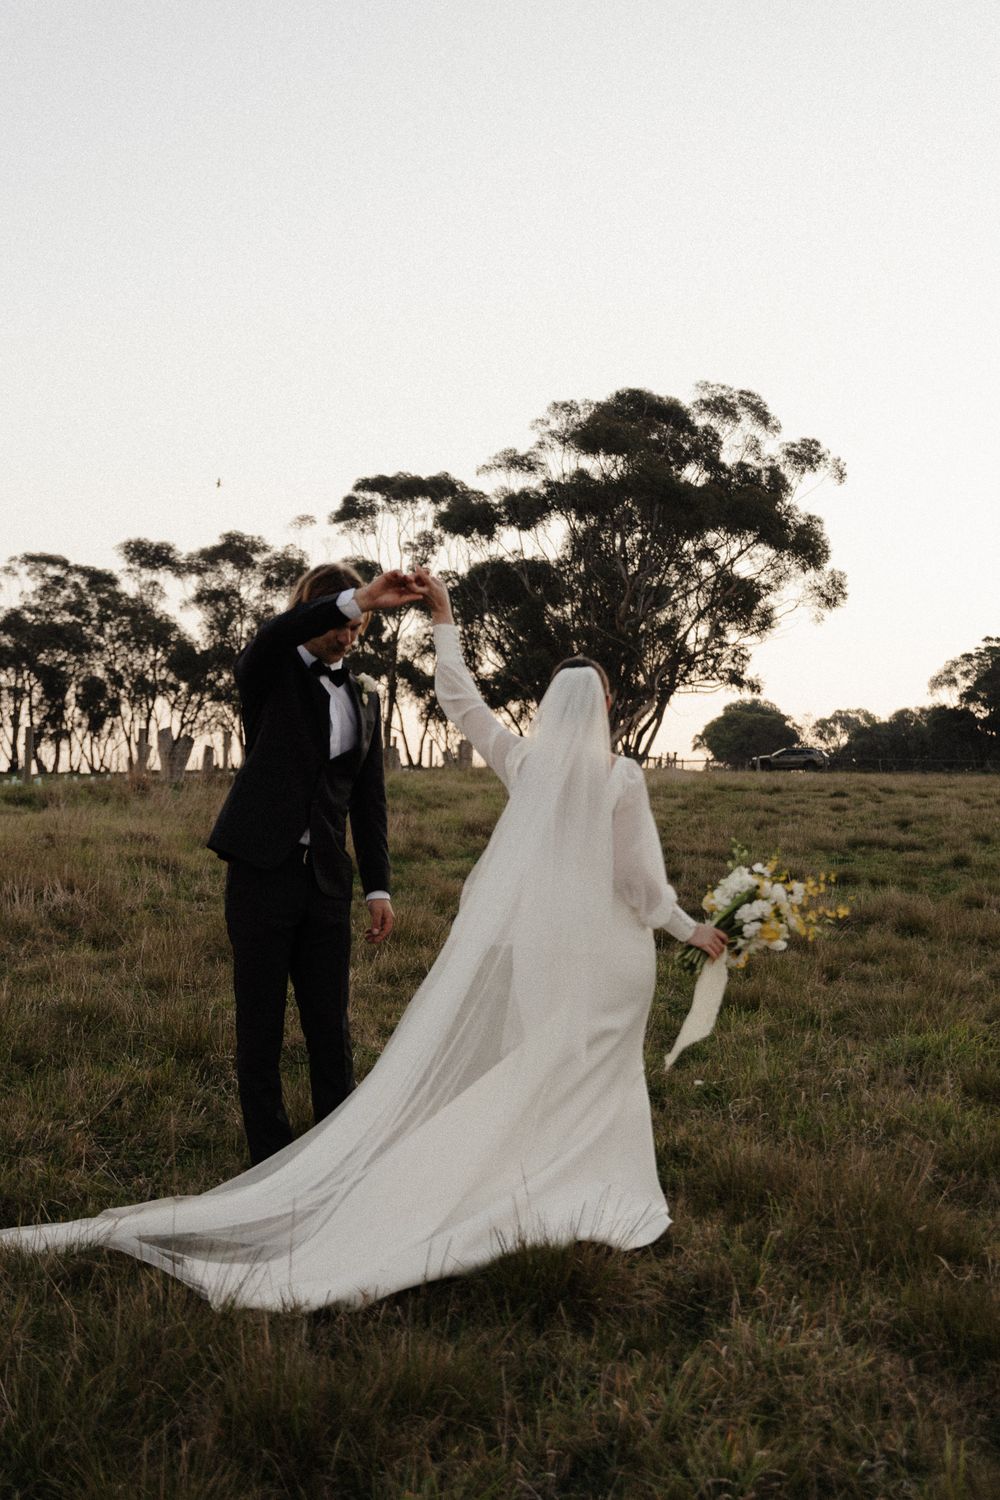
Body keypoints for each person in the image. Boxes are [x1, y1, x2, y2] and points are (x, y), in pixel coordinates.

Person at [0, 571, 727, 1310]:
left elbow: (457, 707)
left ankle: (487, 1170)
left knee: (503, 1059)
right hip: (595, 954)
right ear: (606, 707)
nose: (351, 635)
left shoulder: (523, 763)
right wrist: (688, 928)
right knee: (588, 1071)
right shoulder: (621, 778)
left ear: (547, 709)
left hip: (517, 947)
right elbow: (641, 887)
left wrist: (445, 620)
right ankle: (571, 1177)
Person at [206, 561, 420, 1164]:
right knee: (261, 1029)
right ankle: (268, 1162)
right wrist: (359, 597)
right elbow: (278, 633)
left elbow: (368, 799)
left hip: (327, 881)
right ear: (313, 613)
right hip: (261, 872)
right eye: (340, 622)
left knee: (331, 1028)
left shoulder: (365, 695)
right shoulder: (269, 668)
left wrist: (378, 887)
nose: (348, 636)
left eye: (358, 628)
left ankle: (332, 1162)